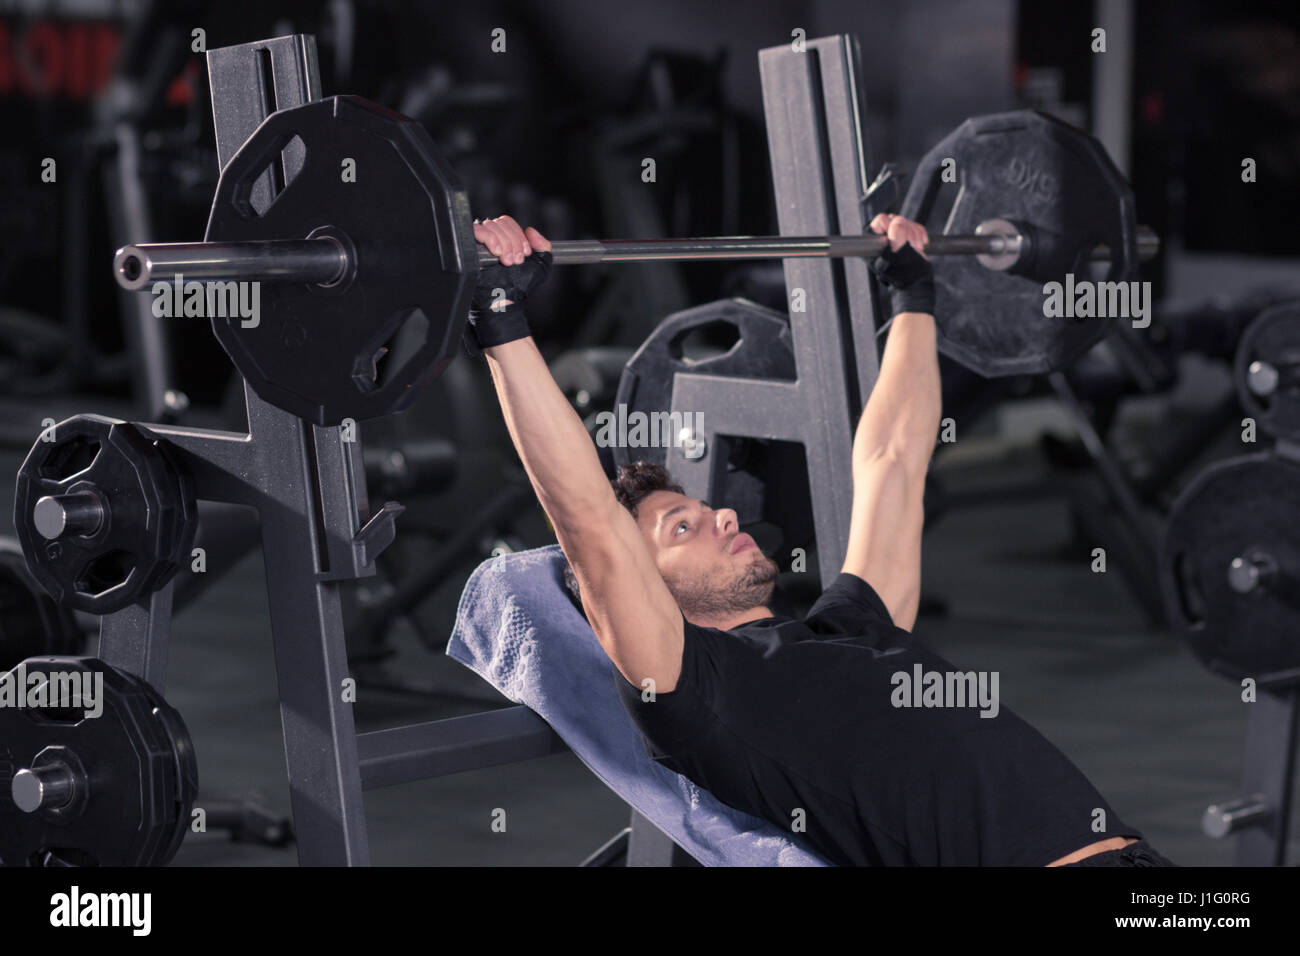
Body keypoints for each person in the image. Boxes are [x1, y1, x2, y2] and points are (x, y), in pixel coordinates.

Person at [464, 211, 1174, 867]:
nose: (726, 518)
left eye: (709, 510)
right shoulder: (694, 694)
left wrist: (913, 296)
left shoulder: (853, 625)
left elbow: (893, 462)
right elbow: (588, 523)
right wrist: (500, 315)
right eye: (684, 526)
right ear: (640, 589)